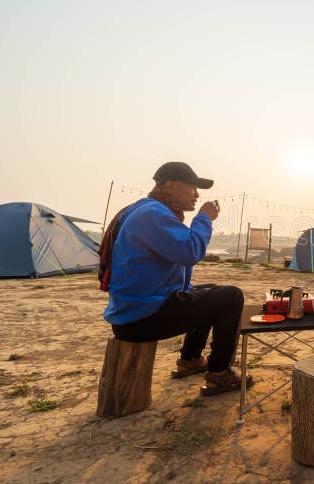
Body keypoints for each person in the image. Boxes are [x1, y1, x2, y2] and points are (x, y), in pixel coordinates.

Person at [99, 162, 252, 396]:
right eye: (192, 187)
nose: (197, 194)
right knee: (231, 297)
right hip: (141, 318)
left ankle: (190, 360)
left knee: (210, 291)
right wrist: (204, 218)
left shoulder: (143, 210)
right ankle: (219, 375)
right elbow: (190, 252)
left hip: (134, 311)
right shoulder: (153, 214)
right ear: (169, 185)